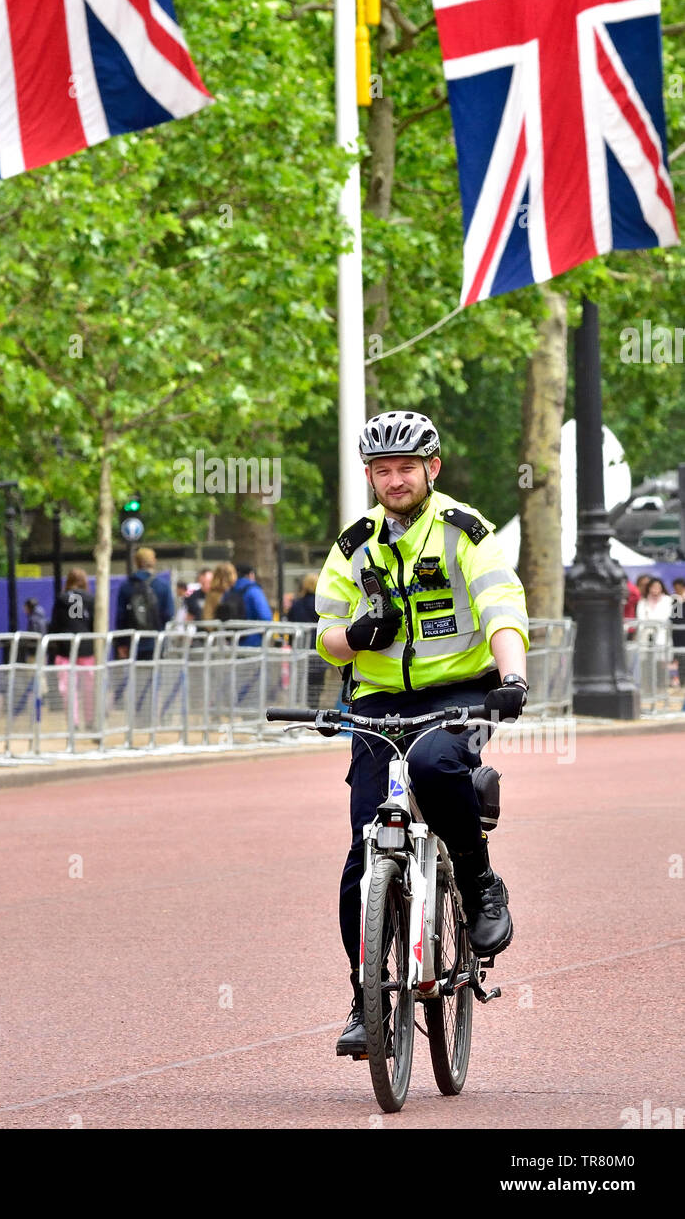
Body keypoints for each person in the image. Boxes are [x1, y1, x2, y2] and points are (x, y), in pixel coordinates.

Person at [314, 410, 529, 1059]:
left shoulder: (466, 532)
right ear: (371, 477)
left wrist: (511, 678)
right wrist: (356, 637)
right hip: (380, 700)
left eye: (407, 467)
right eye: (383, 470)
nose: (395, 479)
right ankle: (365, 996)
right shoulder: (354, 546)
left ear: (432, 468)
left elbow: (501, 607)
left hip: (459, 690)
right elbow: (325, 638)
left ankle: (478, 878)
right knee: (361, 855)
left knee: (437, 766)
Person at [48, 568, 96, 722]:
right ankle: (90, 719)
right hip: (86, 647)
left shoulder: (61, 598)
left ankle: (73, 721)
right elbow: (95, 623)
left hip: (65, 648)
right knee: (89, 687)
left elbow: (54, 624)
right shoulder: (90, 598)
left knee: (69, 688)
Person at [115, 547, 173, 660]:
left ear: (136, 562)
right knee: (154, 675)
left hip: (133, 640)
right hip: (156, 640)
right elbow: (168, 614)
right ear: (154, 561)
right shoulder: (163, 586)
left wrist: (121, 643)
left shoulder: (127, 586)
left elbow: (120, 617)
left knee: (134, 675)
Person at [285, 572, 325, 707]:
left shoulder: (296, 604)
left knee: (300, 678)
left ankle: (299, 706)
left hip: (300, 647)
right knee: (316, 683)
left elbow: (290, 622)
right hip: (318, 648)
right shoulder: (321, 604)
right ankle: (313, 707)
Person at [219, 564, 273, 646]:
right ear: (251, 574)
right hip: (253, 641)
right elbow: (265, 616)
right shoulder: (254, 590)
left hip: (232, 642)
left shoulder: (229, 591)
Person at [671, 578, 685, 685]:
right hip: (679, 637)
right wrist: (679, 602)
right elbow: (676, 618)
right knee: (681, 661)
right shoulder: (676, 601)